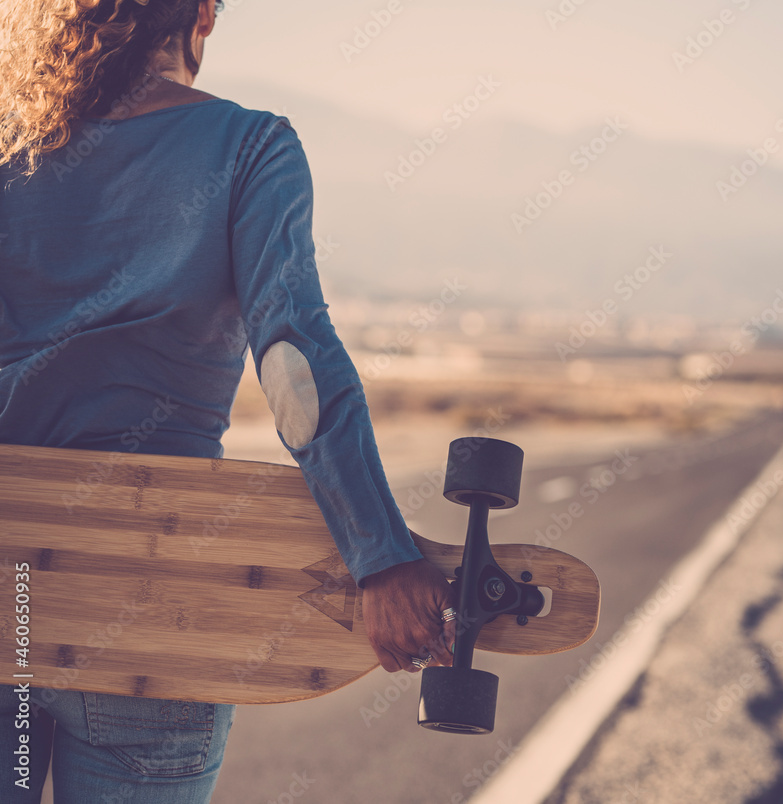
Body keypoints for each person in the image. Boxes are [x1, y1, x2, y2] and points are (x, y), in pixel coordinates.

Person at [0, 1, 455, 800]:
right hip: (156, 609)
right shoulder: (249, 147)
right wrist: (379, 556)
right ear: (202, 16)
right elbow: (291, 366)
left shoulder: (11, 150)